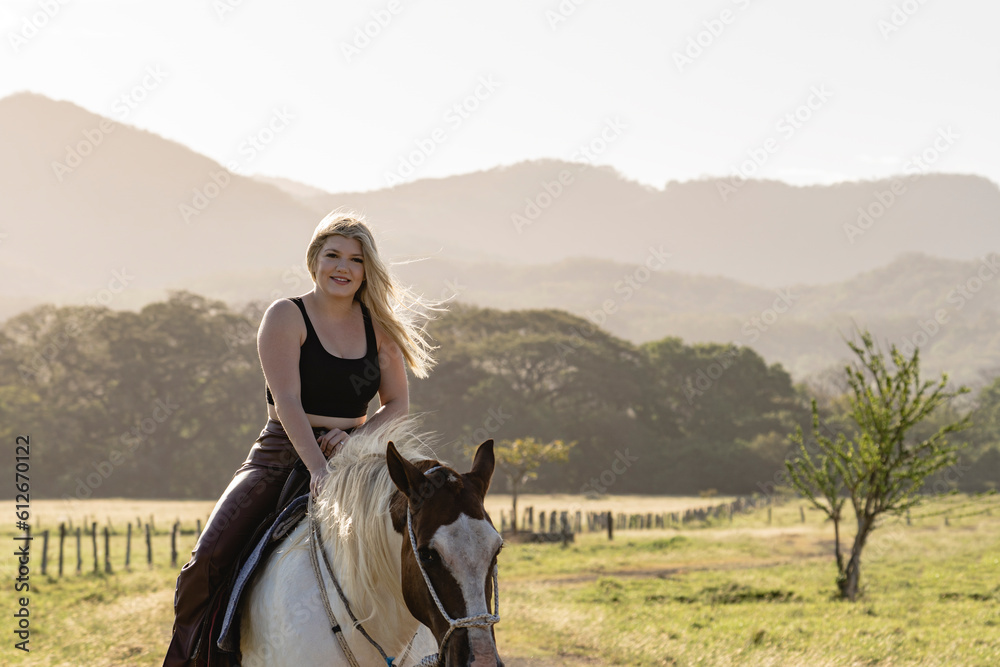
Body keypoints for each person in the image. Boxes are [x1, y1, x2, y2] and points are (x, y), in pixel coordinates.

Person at [163, 210, 440, 667]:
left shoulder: (380, 328)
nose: (343, 267)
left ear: (367, 269)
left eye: (355, 259)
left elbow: (395, 404)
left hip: (357, 454)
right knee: (205, 564)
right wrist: (318, 468)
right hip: (281, 453)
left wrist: (350, 444)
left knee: (436, 538)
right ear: (314, 260)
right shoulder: (286, 316)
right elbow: (287, 401)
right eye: (333, 255)